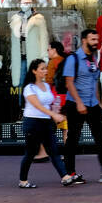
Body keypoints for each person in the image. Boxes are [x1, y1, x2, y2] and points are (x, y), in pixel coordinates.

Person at [62, 28, 102, 184]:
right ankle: (69, 173)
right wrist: (80, 103)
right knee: (73, 139)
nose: (96, 43)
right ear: (84, 40)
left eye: (97, 39)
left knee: (101, 137)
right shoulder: (73, 59)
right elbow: (69, 83)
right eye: (93, 40)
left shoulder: (93, 58)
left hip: (92, 104)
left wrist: (99, 102)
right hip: (76, 103)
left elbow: (94, 81)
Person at [19, 58, 73, 188]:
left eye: (46, 68)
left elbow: (49, 104)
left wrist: (57, 111)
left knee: (53, 150)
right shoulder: (29, 88)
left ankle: (65, 177)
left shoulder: (47, 86)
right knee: (30, 153)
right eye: (42, 68)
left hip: (46, 123)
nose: (45, 71)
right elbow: (37, 105)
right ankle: (23, 181)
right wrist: (53, 114)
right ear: (34, 71)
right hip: (32, 123)